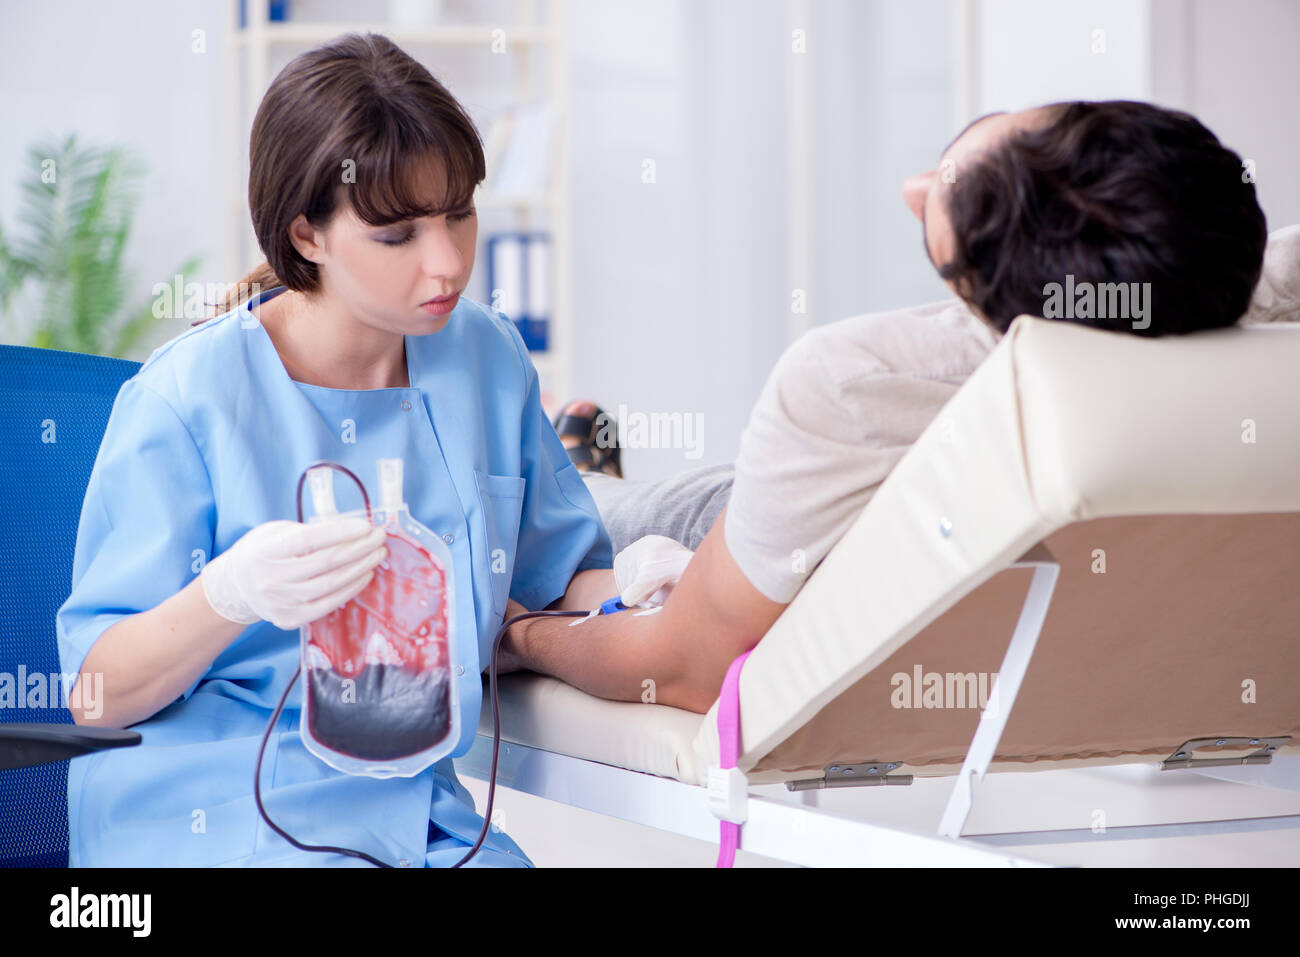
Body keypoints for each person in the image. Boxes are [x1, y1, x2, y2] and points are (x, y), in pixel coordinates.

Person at [498, 100, 1272, 715]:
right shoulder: (1238, 301)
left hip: (751, 532)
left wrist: (523, 636)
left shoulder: (851, 385)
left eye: (941, 198)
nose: (911, 190)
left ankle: (579, 469)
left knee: (595, 519)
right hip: (838, 498)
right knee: (660, 487)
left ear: (992, 306)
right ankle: (584, 464)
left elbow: (681, 667)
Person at [55, 33, 614, 868]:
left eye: (458, 212)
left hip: (416, 812)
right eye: (398, 236)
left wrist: (643, 591)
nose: (448, 261)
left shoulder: (485, 361)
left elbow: (562, 574)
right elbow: (96, 695)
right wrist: (228, 594)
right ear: (306, 235)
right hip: (214, 814)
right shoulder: (188, 400)